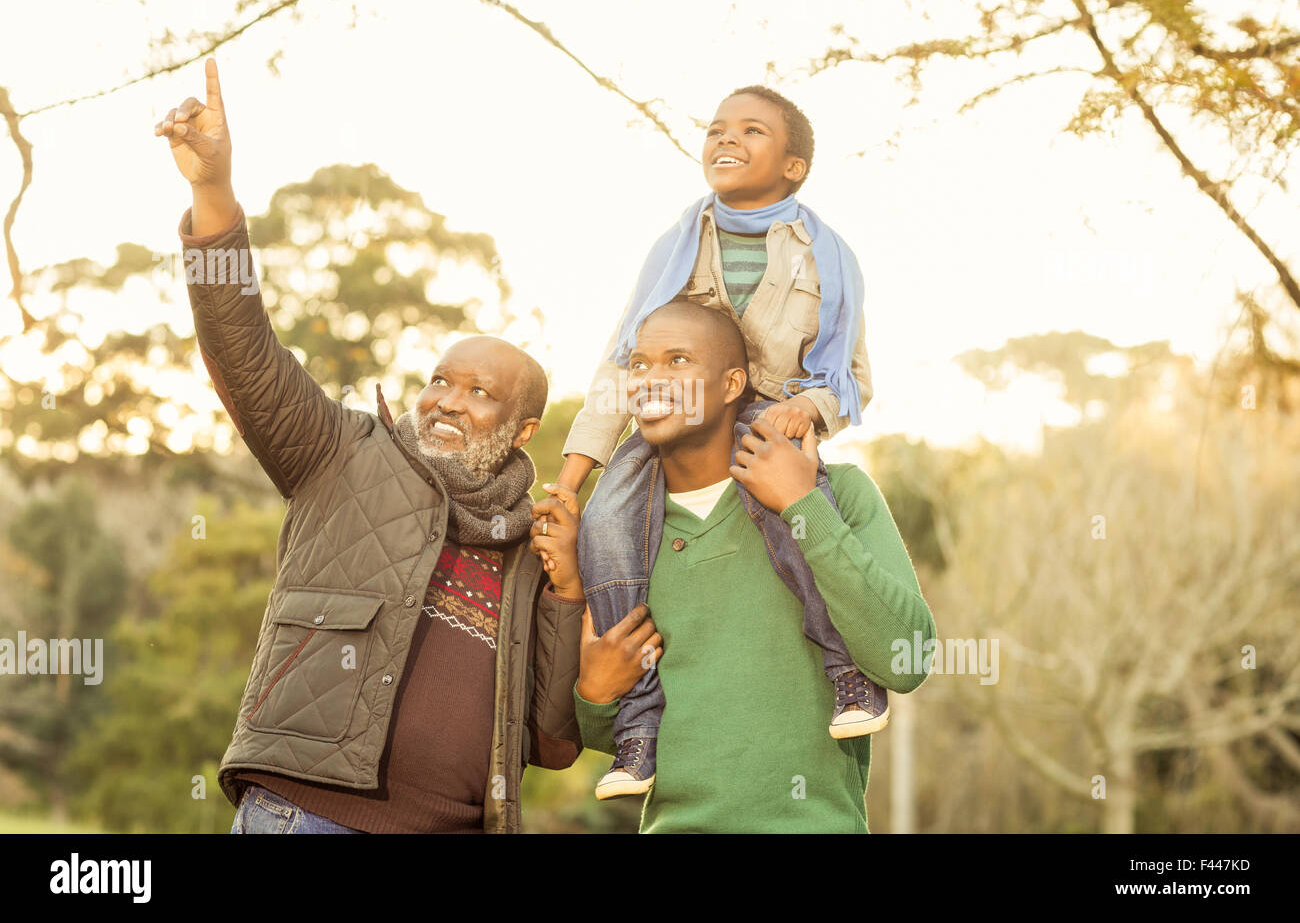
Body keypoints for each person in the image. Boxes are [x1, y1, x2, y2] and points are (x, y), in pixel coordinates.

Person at [154, 58, 586, 833]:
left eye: (480, 392)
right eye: (440, 379)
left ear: (524, 431)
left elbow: (551, 743)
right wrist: (211, 193)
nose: (448, 400)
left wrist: (569, 589)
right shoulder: (343, 456)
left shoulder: (537, 548)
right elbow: (244, 351)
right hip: (304, 815)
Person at [555, 84, 884, 798]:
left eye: (752, 131)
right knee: (609, 522)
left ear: (793, 166)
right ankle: (639, 729)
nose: (726, 140)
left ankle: (850, 675)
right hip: (676, 415)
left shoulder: (828, 257)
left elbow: (851, 378)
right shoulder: (673, 245)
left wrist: (808, 415)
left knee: (797, 515)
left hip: (771, 417)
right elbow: (623, 363)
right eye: (715, 128)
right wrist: (573, 477)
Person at [573, 299, 935, 831]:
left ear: (731, 384)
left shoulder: (838, 494)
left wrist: (802, 504)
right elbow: (606, 734)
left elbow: (906, 659)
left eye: (678, 361)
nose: (650, 379)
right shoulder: (613, 538)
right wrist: (595, 694)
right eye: (639, 364)